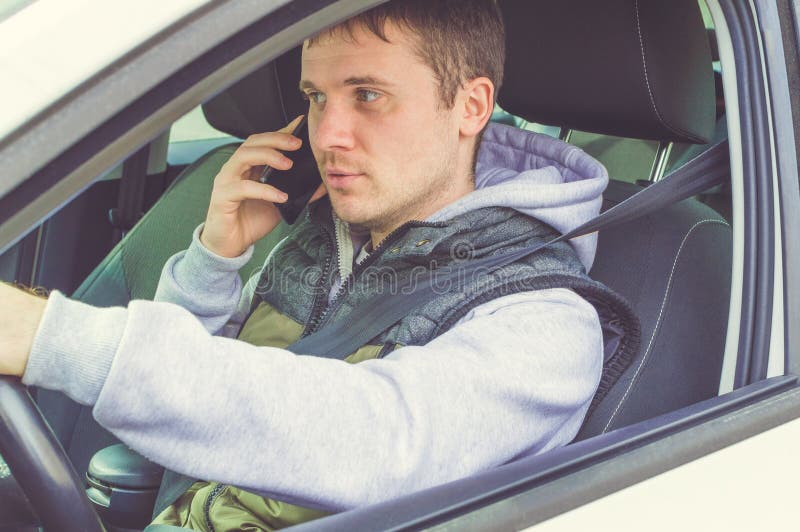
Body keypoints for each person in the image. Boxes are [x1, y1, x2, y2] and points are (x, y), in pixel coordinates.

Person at [0, 0, 637, 529]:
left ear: (470, 107)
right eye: (316, 97)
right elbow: (189, 392)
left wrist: (52, 336)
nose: (327, 134)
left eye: (368, 95)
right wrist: (214, 259)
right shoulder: (325, 238)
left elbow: (375, 441)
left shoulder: (545, 315)